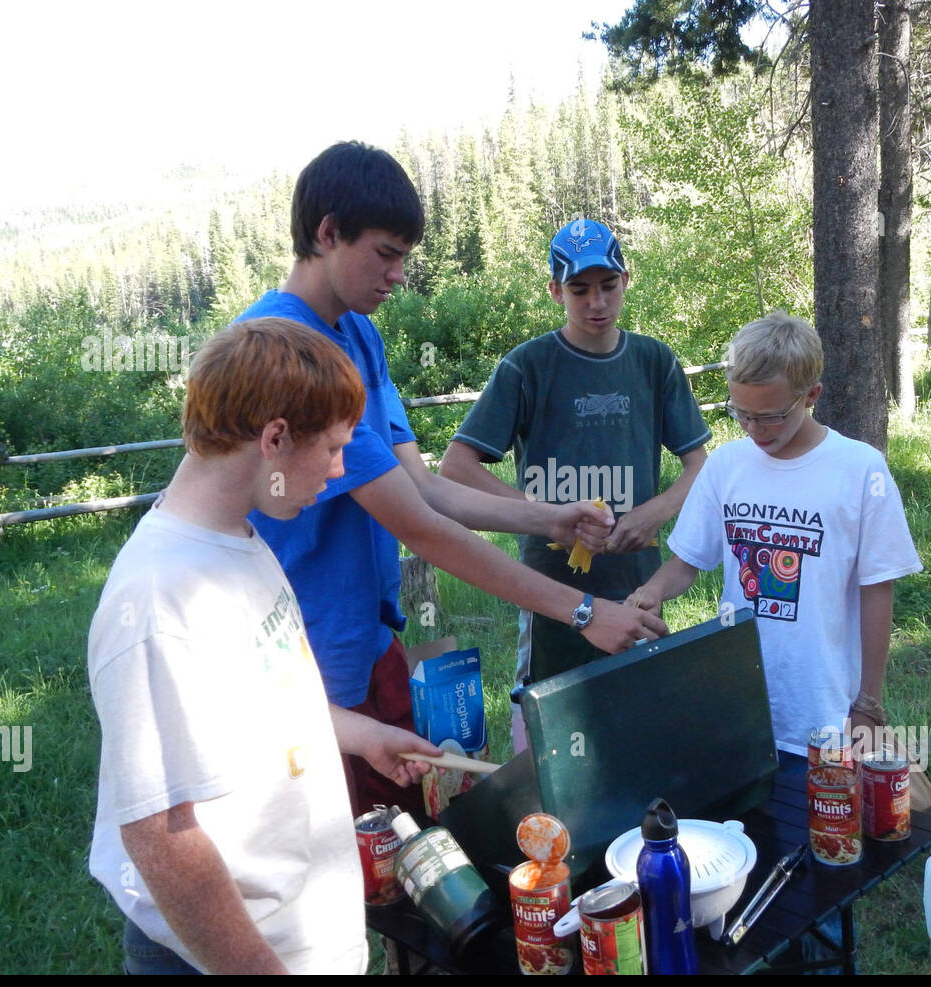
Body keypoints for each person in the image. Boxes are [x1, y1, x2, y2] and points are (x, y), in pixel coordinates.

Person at [236, 145, 667, 811]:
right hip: (301, 651)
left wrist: (545, 516)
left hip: (370, 640)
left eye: (405, 255)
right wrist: (581, 610)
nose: (399, 275)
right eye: (385, 253)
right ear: (326, 233)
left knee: (405, 845)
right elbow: (422, 529)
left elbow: (425, 484)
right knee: (340, 857)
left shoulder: (359, 334)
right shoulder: (283, 351)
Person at [87, 318, 442, 975]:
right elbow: (160, 832)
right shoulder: (158, 601)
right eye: (334, 448)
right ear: (275, 438)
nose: (340, 470)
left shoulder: (242, 537)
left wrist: (363, 733)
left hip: (297, 936)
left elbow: (258, 698)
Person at [440, 219, 710, 733]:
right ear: (555, 291)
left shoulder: (655, 362)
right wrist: (545, 518)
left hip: (639, 585)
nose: (596, 303)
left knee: (645, 721)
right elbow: (457, 466)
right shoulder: (527, 367)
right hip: (552, 589)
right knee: (552, 722)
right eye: (578, 290)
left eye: (608, 286)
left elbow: (699, 463)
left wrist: (656, 510)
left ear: (626, 281)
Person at [626, 310, 922, 755]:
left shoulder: (859, 470)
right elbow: (687, 563)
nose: (754, 429)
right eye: (741, 414)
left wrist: (868, 703)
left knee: (825, 822)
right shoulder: (726, 465)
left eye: (770, 417)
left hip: (825, 709)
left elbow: (878, 590)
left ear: (811, 395)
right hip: (739, 699)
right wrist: (651, 592)